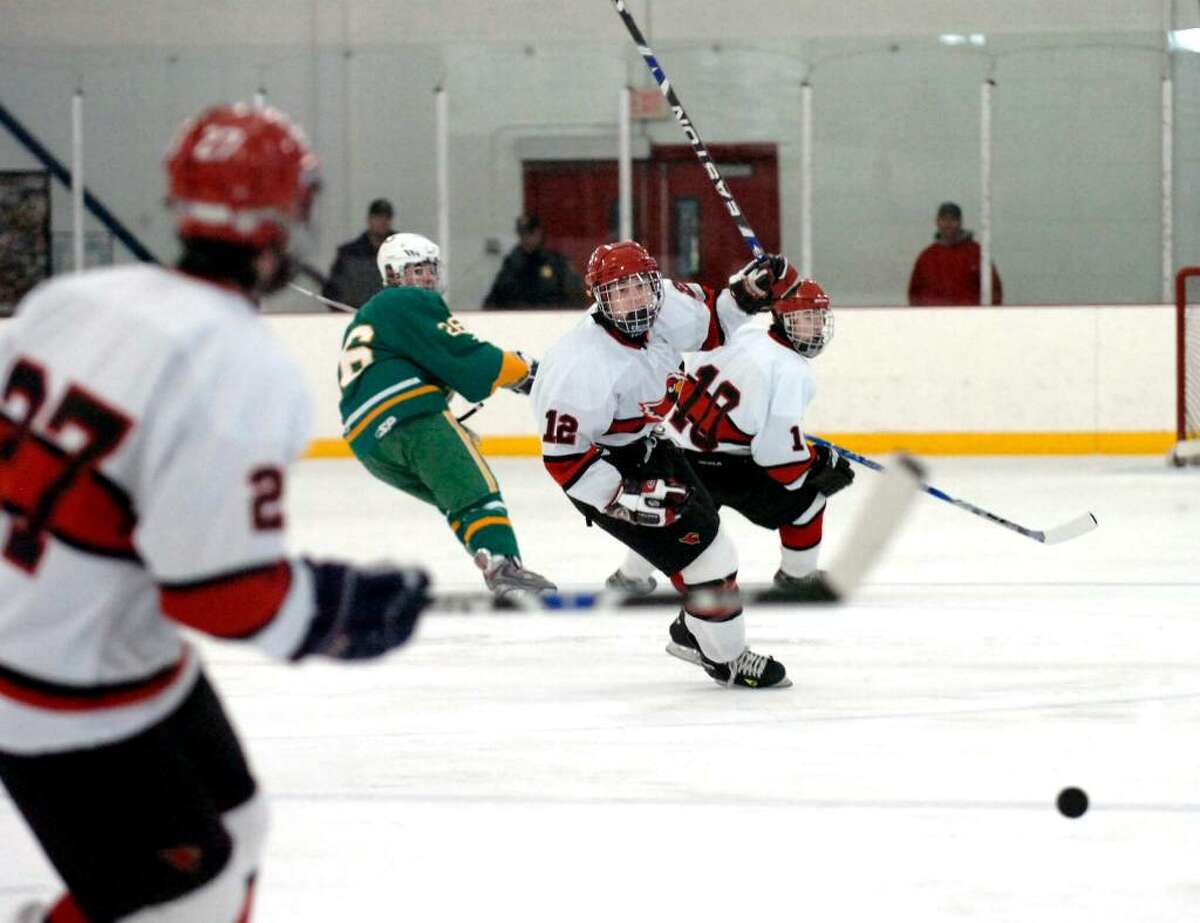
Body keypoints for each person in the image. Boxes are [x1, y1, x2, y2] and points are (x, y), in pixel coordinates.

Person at [0, 103, 432, 923]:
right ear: (280, 219)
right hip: (57, 680)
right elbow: (215, 592)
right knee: (188, 896)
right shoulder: (240, 366)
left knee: (239, 829)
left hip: (106, 648)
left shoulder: (78, 297)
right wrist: (338, 612)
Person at [531, 239, 811, 689]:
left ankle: (691, 632)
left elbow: (714, 325)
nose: (634, 299)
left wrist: (748, 292)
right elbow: (565, 458)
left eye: (640, 286)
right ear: (599, 299)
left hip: (650, 442)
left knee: (714, 546)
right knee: (710, 564)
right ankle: (728, 660)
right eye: (619, 292)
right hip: (607, 468)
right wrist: (625, 499)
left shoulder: (667, 303)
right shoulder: (580, 366)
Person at [605, 278, 856, 599]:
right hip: (730, 464)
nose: (815, 328)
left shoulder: (742, 331)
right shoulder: (795, 371)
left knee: (672, 514)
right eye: (804, 318)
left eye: (818, 318)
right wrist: (814, 463)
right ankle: (798, 577)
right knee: (809, 501)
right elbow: (775, 456)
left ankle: (630, 577)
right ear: (780, 317)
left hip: (676, 449)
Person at [338, 231, 556, 597]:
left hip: (369, 445)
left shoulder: (373, 319)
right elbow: (468, 357)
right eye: (416, 270)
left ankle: (488, 555)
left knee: (454, 496)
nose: (425, 278)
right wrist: (525, 372)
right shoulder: (406, 302)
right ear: (394, 275)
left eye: (429, 270)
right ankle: (505, 564)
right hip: (410, 418)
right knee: (475, 486)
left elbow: (440, 366)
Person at [907, 201, 1003, 306]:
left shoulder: (977, 253)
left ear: (960, 222)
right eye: (944, 219)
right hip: (935, 320)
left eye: (953, 219)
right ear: (937, 222)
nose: (948, 224)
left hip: (970, 319)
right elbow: (915, 295)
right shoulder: (926, 258)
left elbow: (994, 290)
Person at [482, 214, 586, 309]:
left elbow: (575, 298)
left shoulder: (556, 264)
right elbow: (494, 299)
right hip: (516, 322)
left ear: (539, 233)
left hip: (552, 321)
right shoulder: (512, 265)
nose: (526, 239)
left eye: (530, 233)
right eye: (522, 234)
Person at [321, 197, 395, 310]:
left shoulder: (401, 252)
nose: (382, 222)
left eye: (386, 218)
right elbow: (333, 292)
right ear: (369, 220)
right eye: (378, 217)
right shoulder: (350, 254)